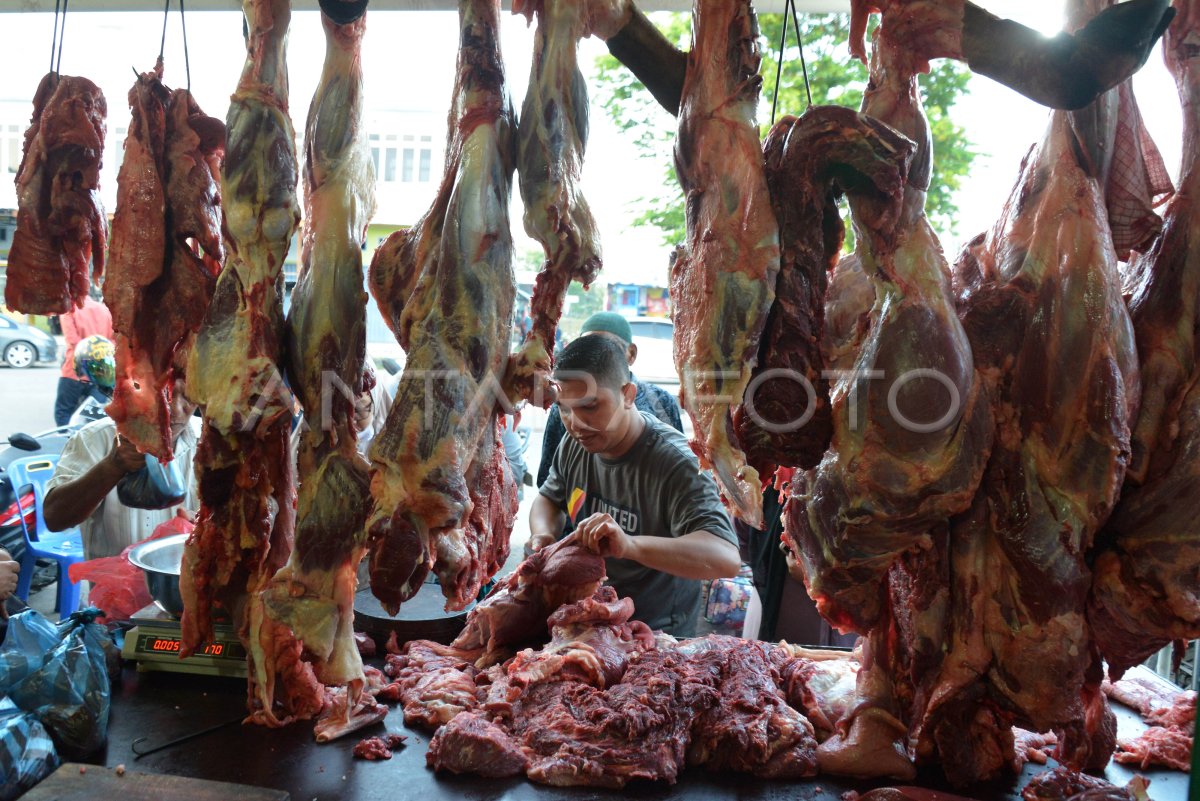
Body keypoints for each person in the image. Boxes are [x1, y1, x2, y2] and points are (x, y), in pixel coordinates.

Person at [530, 334, 740, 636]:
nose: (575, 422)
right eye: (564, 408)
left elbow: (726, 557)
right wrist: (544, 538)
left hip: (655, 634)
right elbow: (549, 498)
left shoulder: (678, 463)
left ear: (627, 394)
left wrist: (629, 545)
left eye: (590, 406)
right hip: (591, 622)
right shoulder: (576, 442)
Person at [43, 378, 200, 561]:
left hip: (182, 585)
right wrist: (113, 465)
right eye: (165, 396)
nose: (174, 411)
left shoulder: (212, 444)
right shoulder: (94, 438)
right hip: (112, 588)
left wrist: (205, 524)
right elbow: (54, 519)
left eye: (188, 398)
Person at [536, 311, 682, 488]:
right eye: (588, 346)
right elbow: (549, 478)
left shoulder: (661, 401)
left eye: (590, 406)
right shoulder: (565, 406)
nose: (596, 353)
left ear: (631, 354)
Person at [54, 294, 113, 426]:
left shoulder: (69, 310)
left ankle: (66, 442)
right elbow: (113, 343)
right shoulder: (104, 310)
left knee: (63, 412)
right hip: (101, 374)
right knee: (93, 417)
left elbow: (73, 341)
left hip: (74, 371)